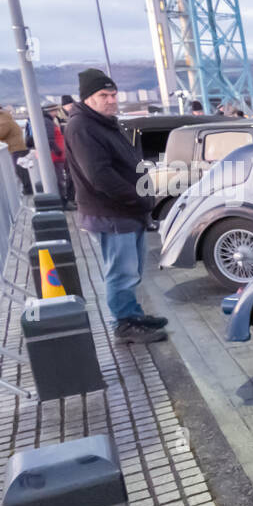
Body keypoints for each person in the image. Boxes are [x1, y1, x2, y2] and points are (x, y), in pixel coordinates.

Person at [63, 68, 168, 344]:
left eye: (113, 94)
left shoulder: (104, 122)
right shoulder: (82, 127)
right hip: (111, 213)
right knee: (120, 272)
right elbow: (100, 176)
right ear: (88, 98)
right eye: (103, 95)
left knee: (131, 270)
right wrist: (140, 197)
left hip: (126, 211)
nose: (111, 100)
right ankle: (123, 324)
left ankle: (132, 314)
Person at [0, 105, 30, 191]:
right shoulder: (5, 119)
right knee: (21, 169)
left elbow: (0, 135)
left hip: (16, 148)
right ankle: (27, 188)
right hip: (18, 147)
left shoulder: (3, 122)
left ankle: (28, 189)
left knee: (20, 170)